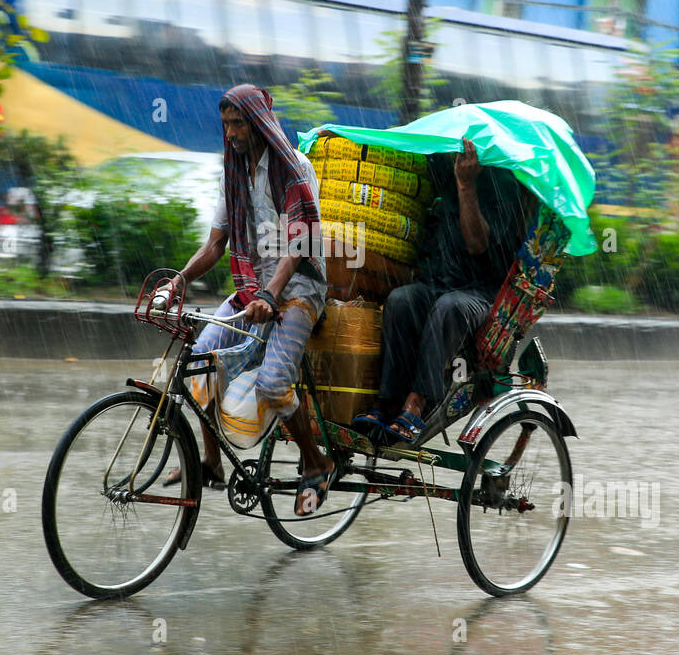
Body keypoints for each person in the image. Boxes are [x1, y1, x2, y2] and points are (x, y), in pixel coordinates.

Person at [161, 83, 335, 516]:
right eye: (225, 124)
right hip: (252, 291)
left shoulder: (295, 168)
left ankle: (316, 464)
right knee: (198, 362)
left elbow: (299, 245)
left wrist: (272, 295)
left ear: (257, 122)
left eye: (237, 123)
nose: (231, 132)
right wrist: (177, 282)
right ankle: (211, 460)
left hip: (298, 291)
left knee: (274, 383)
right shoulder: (233, 172)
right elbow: (216, 244)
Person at [355, 138, 532, 444]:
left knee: (450, 308)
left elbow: (477, 244)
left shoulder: (504, 185)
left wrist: (466, 186)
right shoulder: (444, 171)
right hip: (437, 283)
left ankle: (417, 402)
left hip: (479, 294)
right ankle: (387, 402)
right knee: (401, 300)